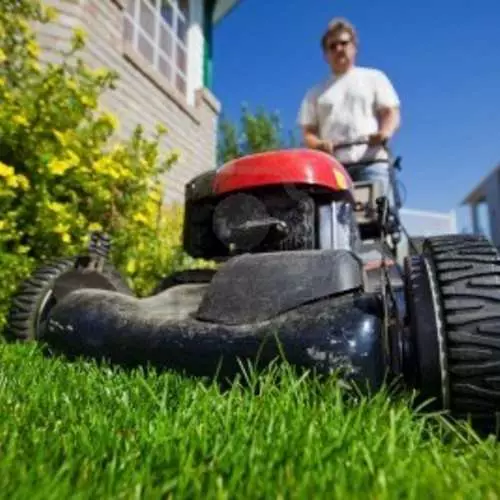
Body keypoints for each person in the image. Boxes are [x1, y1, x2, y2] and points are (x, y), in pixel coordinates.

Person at [297, 18, 401, 204]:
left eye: (344, 43)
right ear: (325, 54)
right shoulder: (315, 92)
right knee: (335, 227)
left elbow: (390, 113)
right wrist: (320, 144)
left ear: (354, 46)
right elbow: (308, 132)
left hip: (372, 162)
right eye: (332, 46)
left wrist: (385, 132)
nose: (339, 49)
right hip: (334, 170)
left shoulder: (373, 77)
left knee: (379, 222)